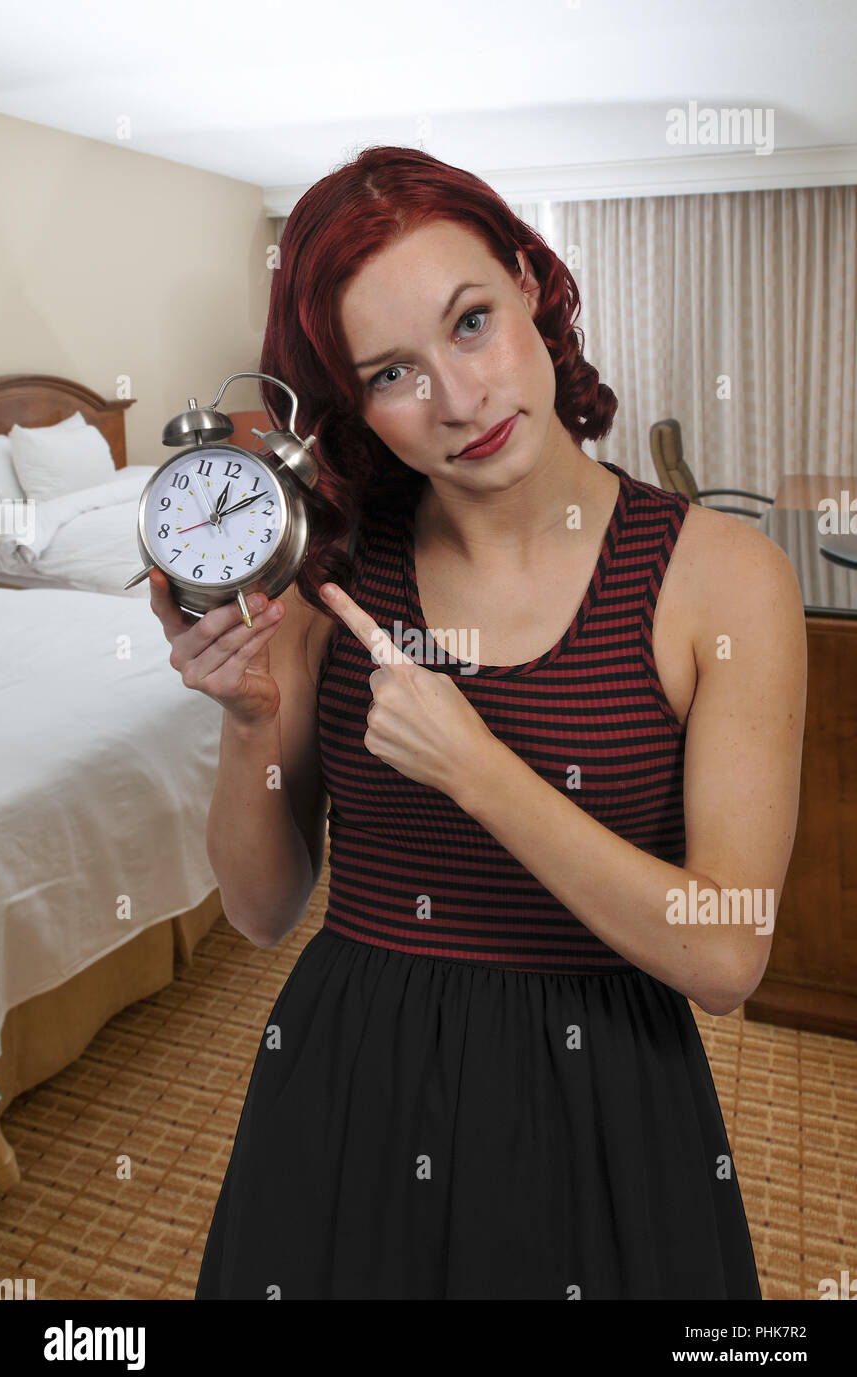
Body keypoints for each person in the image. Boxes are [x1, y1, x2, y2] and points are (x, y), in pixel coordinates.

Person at [149, 146, 807, 1299]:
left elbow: (724, 954)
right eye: (392, 372)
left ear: (528, 286)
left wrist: (478, 770)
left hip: (599, 1095)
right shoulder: (333, 577)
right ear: (351, 405)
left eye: (469, 323)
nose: (458, 401)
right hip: (347, 1079)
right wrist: (252, 722)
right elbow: (260, 914)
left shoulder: (720, 577)